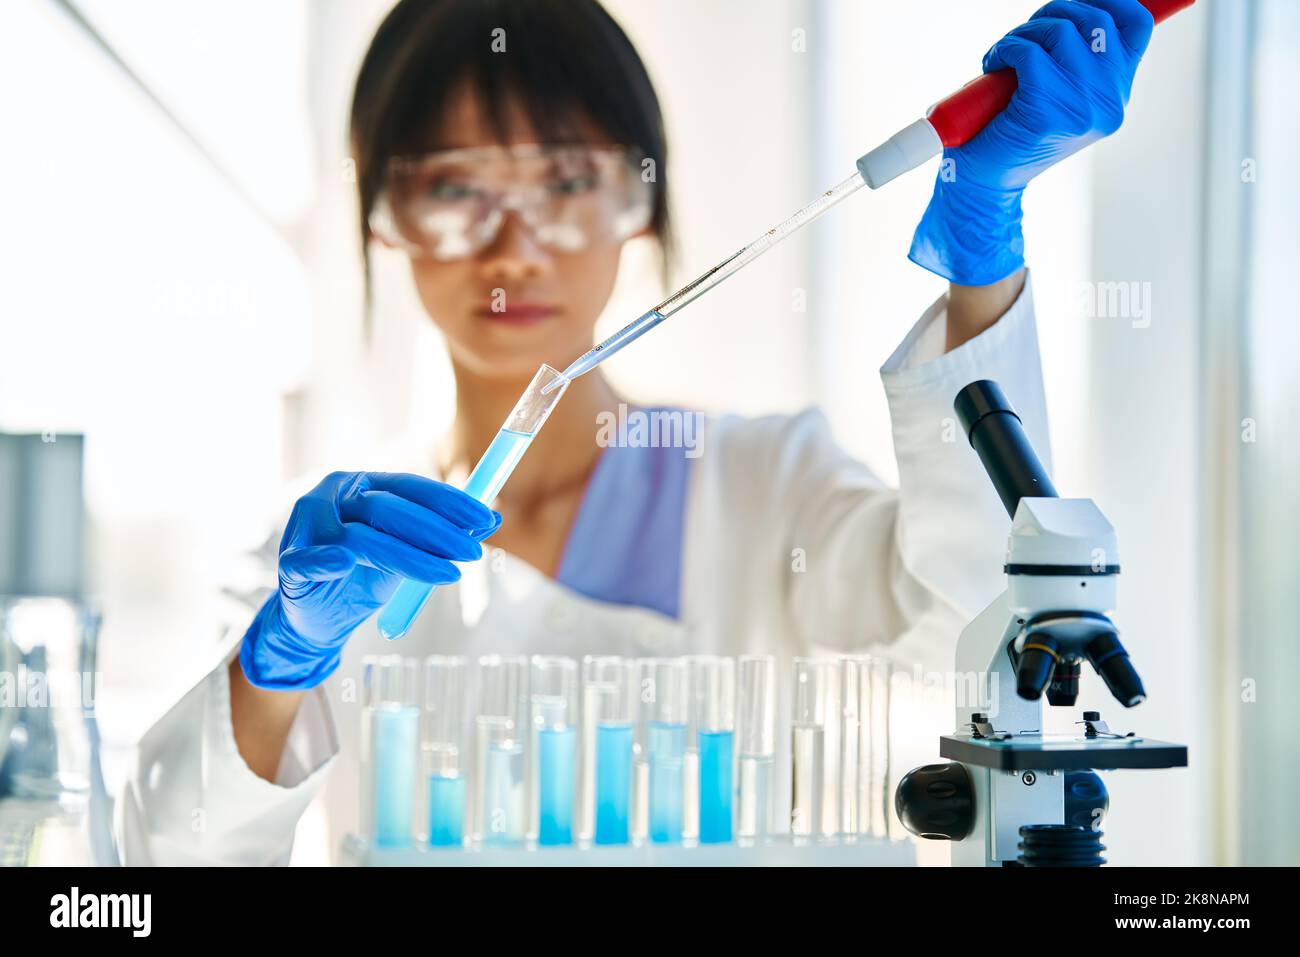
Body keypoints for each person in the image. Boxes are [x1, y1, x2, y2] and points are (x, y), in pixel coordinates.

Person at [115, 0, 1158, 864]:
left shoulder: (767, 486)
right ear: (383, 216)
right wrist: (277, 662)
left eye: (569, 184)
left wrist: (985, 241)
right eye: (454, 189)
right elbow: (164, 871)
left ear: (639, 209)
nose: (514, 247)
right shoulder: (321, 567)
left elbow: (978, 626)